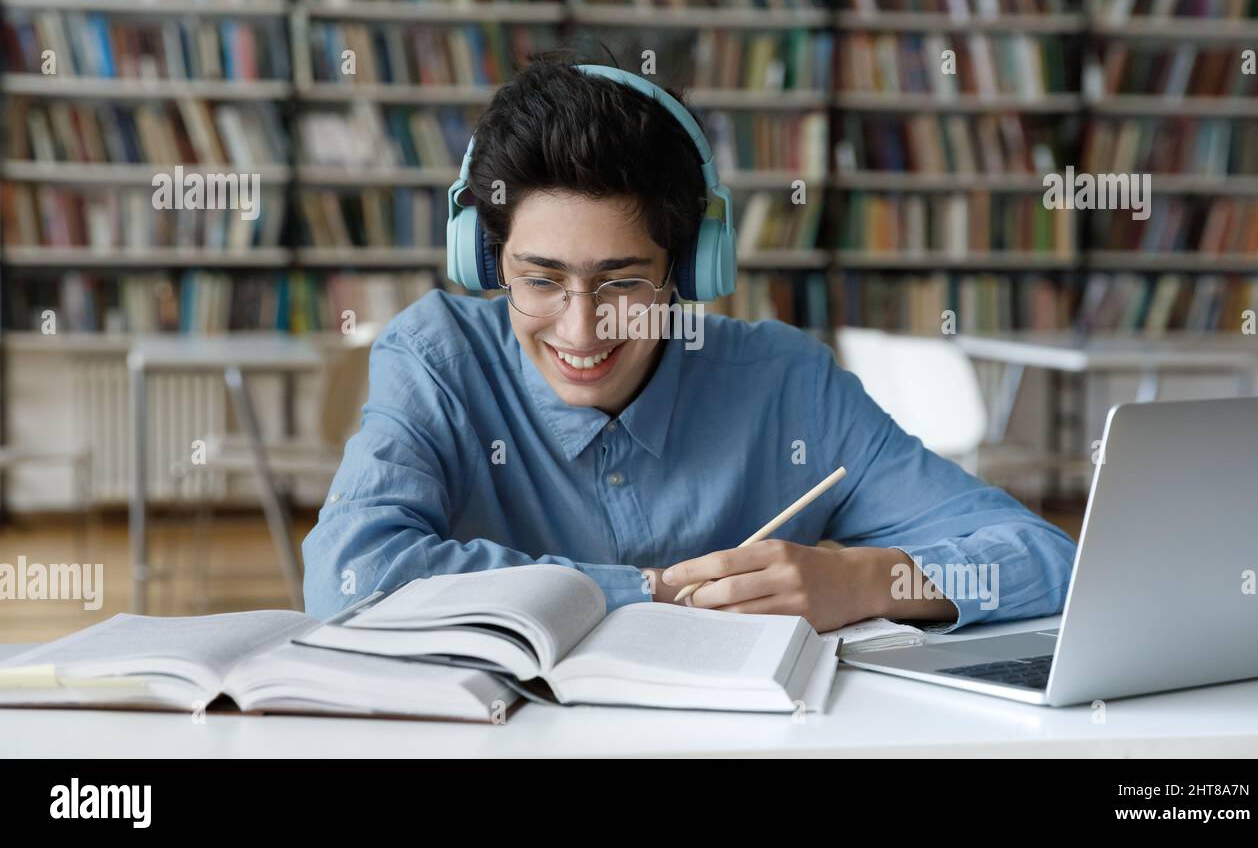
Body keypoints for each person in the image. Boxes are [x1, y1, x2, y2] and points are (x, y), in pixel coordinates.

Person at [302, 52, 1077, 633]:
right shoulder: (436, 359)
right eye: (539, 281)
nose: (580, 329)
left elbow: (1050, 560)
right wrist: (649, 590)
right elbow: (351, 576)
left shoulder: (786, 385)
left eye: (624, 282)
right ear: (485, 258)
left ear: (692, 269)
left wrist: (868, 583)